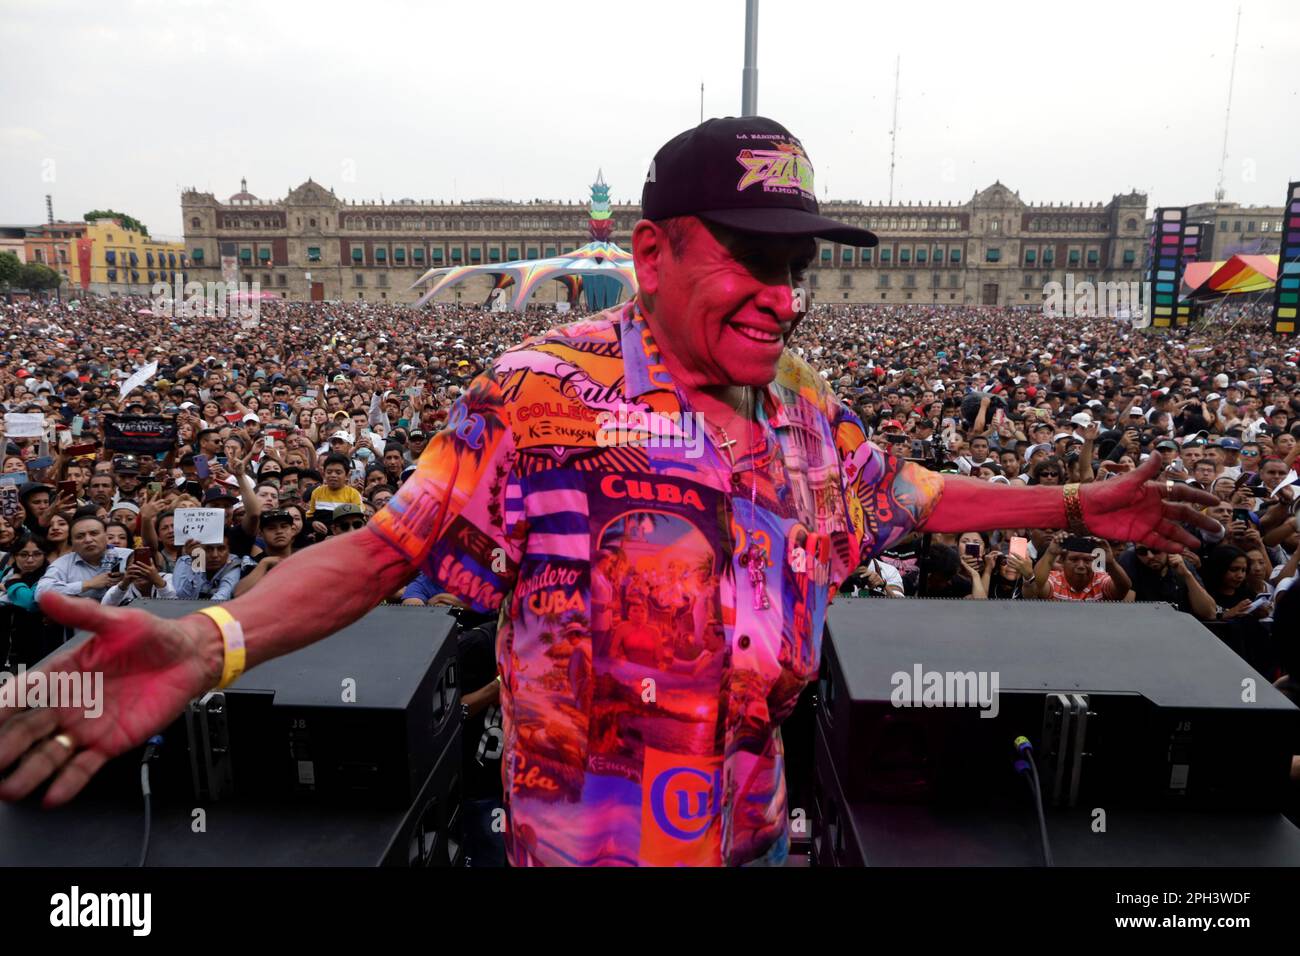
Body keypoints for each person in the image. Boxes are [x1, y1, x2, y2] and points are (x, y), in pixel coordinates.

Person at [1, 116, 1219, 867]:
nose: (784, 295)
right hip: (586, 852)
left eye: (797, 267)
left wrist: (1076, 504)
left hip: (750, 831)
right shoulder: (534, 391)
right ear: (653, 253)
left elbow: (907, 490)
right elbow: (384, 552)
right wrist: (208, 638)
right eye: (750, 259)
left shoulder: (800, 398)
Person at [32, 514, 134, 603]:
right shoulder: (64, 563)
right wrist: (87, 584)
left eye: (94, 533)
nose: (88, 540)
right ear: (72, 542)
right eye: (80, 536)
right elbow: (40, 593)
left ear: (106, 536)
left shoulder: (128, 556)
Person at [1034, 533, 1131, 601]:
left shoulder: (1101, 580)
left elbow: (1124, 587)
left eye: (1087, 560)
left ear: (1095, 561)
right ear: (1063, 561)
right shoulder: (1054, 580)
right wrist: (1050, 553)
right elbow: (1037, 586)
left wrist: (1111, 563)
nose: (1081, 566)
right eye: (1074, 559)